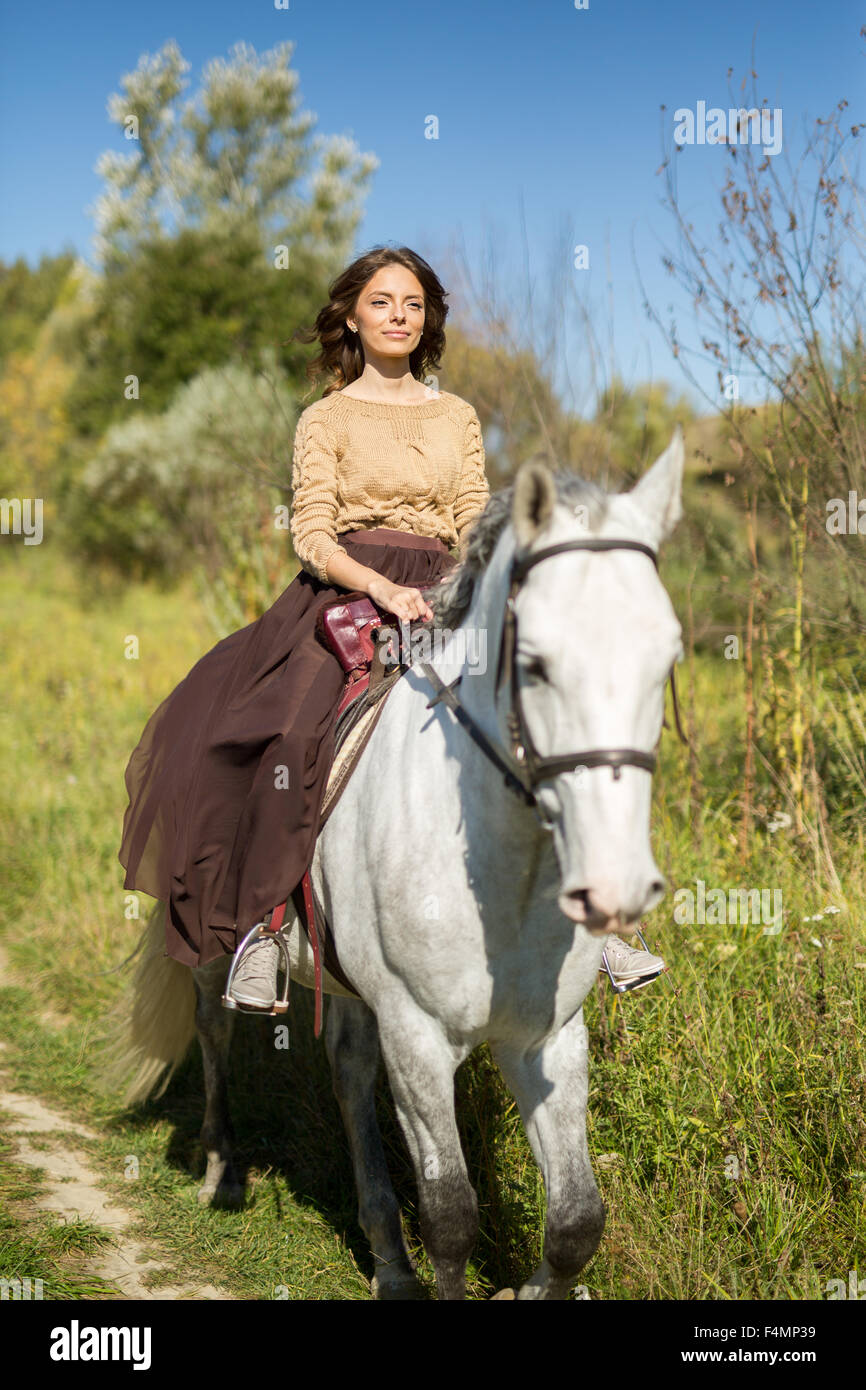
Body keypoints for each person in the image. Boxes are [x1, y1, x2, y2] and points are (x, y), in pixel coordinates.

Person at [118, 245, 663, 1010]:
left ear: (427, 318)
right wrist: (378, 586)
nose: (398, 315)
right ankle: (266, 932)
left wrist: (474, 583)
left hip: (448, 586)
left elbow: (474, 516)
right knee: (288, 735)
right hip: (344, 595)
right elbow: (312, 534)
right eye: (381, 301)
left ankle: (600, 927)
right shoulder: (325, 418)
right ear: (352, 315)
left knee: (541, 713)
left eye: (412, 303)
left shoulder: (456, 416)